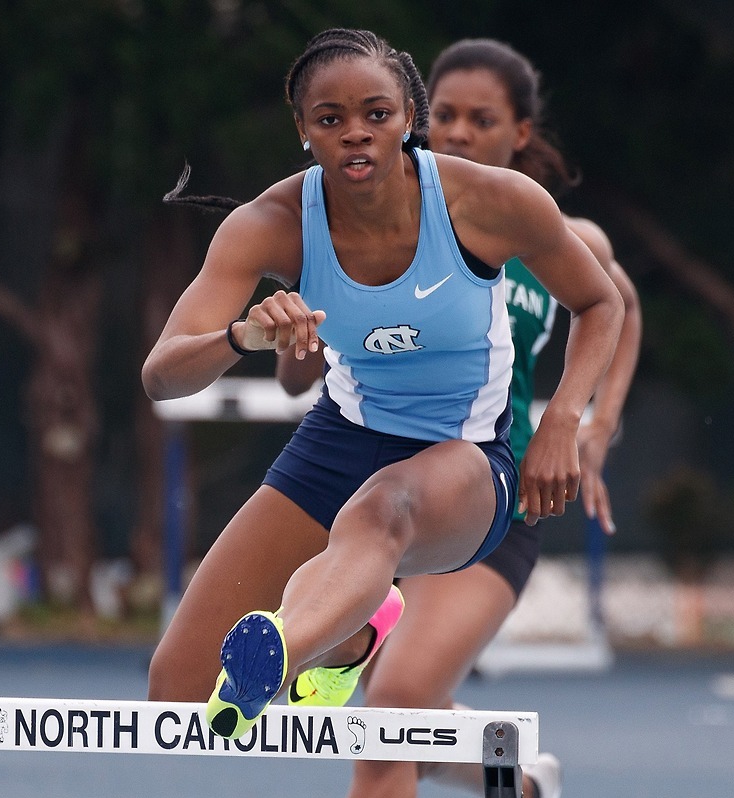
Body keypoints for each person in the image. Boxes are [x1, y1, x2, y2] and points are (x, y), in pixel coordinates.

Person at [253, 38, 641, 798]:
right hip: (391, 492)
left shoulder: (543, 225)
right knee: (396, 709)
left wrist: (583, 424)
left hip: (492, 503)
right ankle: (515, 774)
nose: (456, 133)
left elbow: (617, 308)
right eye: (445, 119)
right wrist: (294, 341)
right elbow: (318, 362)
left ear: (522, 134)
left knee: (393, 712)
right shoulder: (394, 220)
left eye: (480, 121)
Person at [143, 30, 623, 759]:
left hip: (466, 453)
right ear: (303, 132)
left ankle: (280, 656)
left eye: (375, 113)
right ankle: (352, 637)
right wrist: (242, 338)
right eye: (330, 119)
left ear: (408, 117)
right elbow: (163, 374)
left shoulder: (487, 204)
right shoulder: (270, 226)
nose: (355, 133)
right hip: (344, 437)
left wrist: (562, 420)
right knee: (175, 701)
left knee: (380, 508)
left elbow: (603, 304)